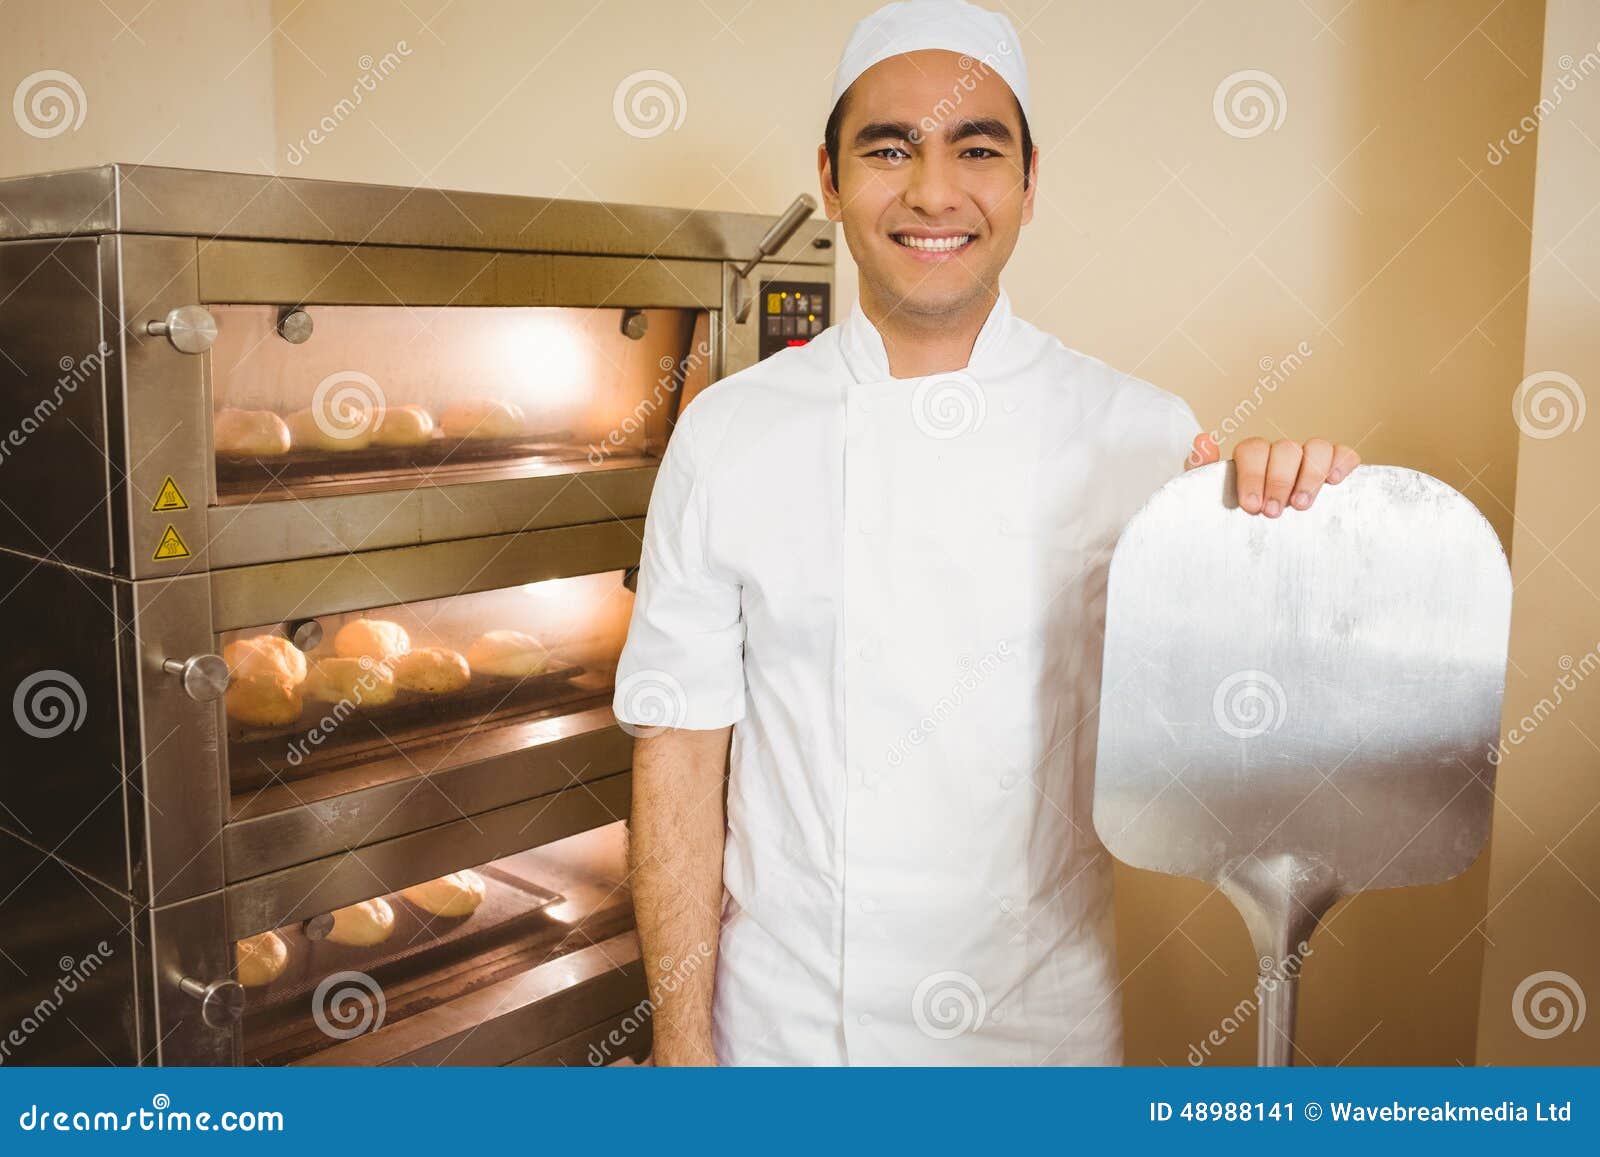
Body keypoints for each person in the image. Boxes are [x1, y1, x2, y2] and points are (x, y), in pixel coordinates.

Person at [616, 0, 1360, 1066]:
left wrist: (1291, 533)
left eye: (975, 148)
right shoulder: (726, 435)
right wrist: (684, 1066)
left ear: (1026, 182)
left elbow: (1250, 739)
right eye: (888, 148)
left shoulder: (1138, 432)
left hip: (1036, 1037)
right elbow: (680, 756)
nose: (932, 191)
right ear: (828, 177)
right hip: (782, 1039)